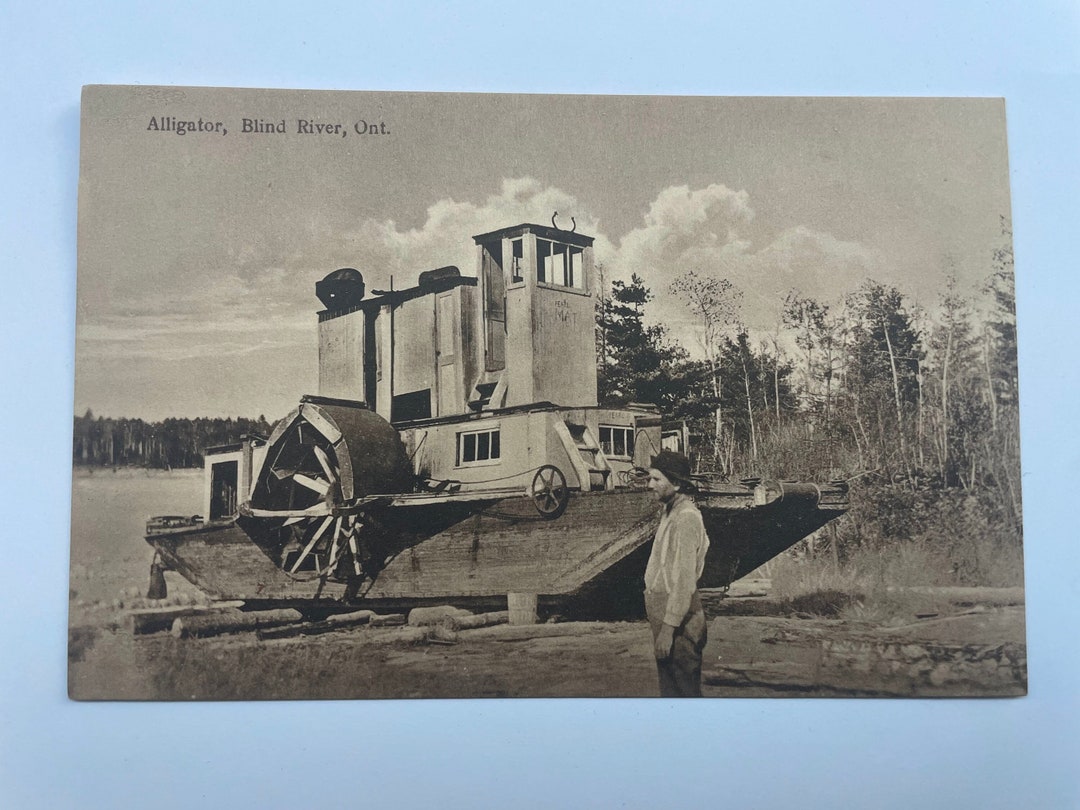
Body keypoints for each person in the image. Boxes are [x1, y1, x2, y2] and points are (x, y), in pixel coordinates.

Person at [644, 450, 710, 697]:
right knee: (671, 694)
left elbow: (684, 582)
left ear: (678, 484)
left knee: (684, 695)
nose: (650, 485)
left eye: (657, 479)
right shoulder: (669, 511)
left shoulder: (686, 519)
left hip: (680, 622)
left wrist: (668, 630)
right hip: (666, 615)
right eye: (649, 478)